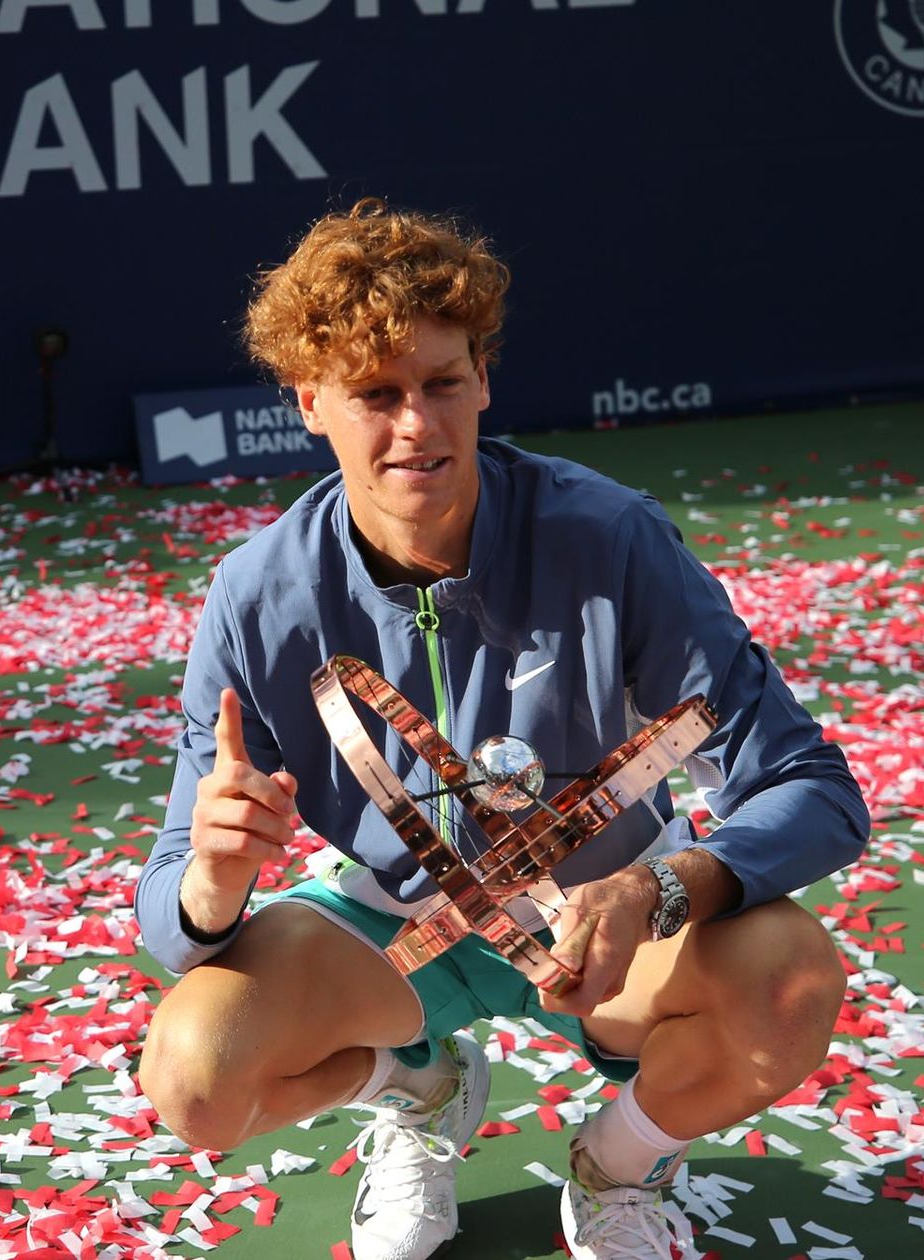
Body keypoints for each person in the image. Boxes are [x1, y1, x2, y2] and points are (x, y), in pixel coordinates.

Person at [134, 198, 867, 1260]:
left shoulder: (610, 537)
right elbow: (170, 911)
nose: (417, 427)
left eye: (441, 383)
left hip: (611, 927)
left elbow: (811, 785)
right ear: (310, 404)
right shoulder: (258, 596)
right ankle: (422, 1090)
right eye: (375, 396)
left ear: (483, 378)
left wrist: (660, 887)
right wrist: (212, 875)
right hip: (396, 928)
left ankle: (619, 1166)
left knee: (790, 979)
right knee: (195, 1078)